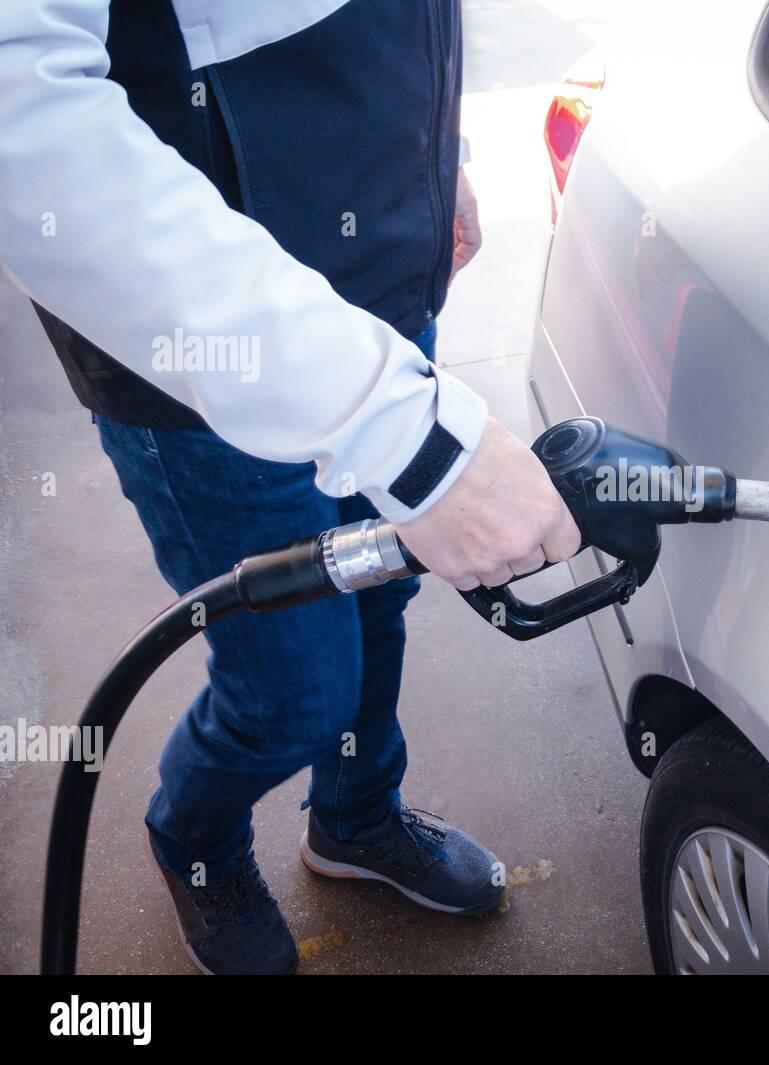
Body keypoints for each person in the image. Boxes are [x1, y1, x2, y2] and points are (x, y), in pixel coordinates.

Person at [0, 0, 580, 974]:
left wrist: (441, 153)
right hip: (197, 373)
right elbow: (22, 118)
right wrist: (396, 432)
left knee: (379, 601)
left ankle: (353, 818)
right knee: (290, 689)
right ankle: (197, 845)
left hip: (383, 281)